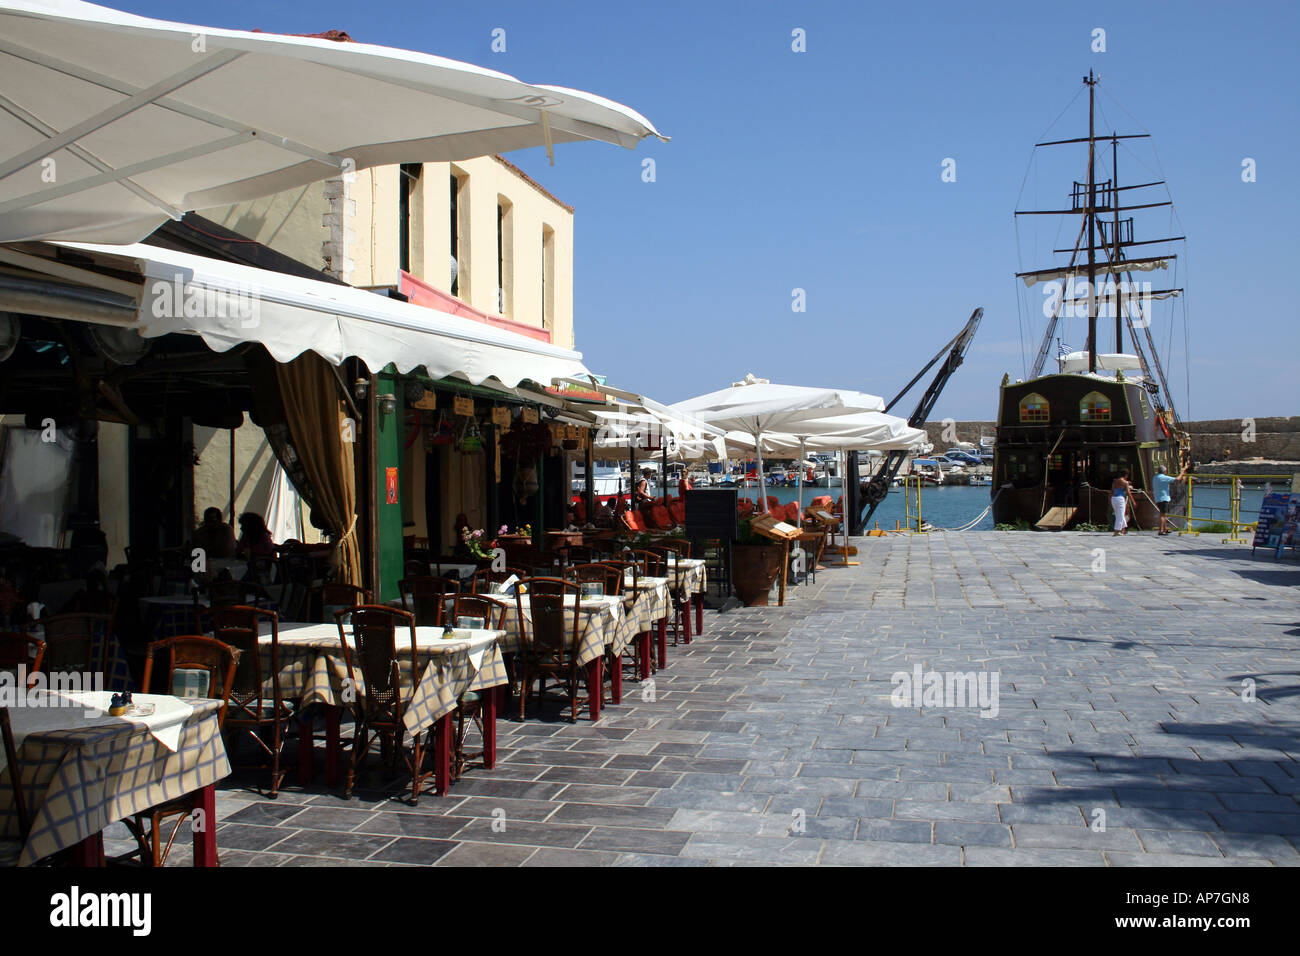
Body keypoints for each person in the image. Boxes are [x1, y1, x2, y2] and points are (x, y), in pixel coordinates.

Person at [1151, 464, 1188, 535]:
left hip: (1158, 498)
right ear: (1164, 471)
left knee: (1163, 514)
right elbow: (1177, 479)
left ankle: (1164, 529)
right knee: (1163, 515)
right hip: (1164, 498)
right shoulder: (1163, 477)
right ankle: (1161, 531)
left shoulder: (1155, 477)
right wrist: (1181, 473)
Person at [1110, 470, 1134, 536]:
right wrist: (1133, 501)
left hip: (1113, 498)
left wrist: (1110, 500)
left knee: (1118, 514)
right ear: (1126, 475)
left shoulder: (1115, 481)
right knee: (1120, 516)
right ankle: (1116, 531)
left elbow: (1112, 491)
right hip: (1120, 499)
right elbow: (1128, 493)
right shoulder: (1125, 482)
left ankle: (1123, 529)